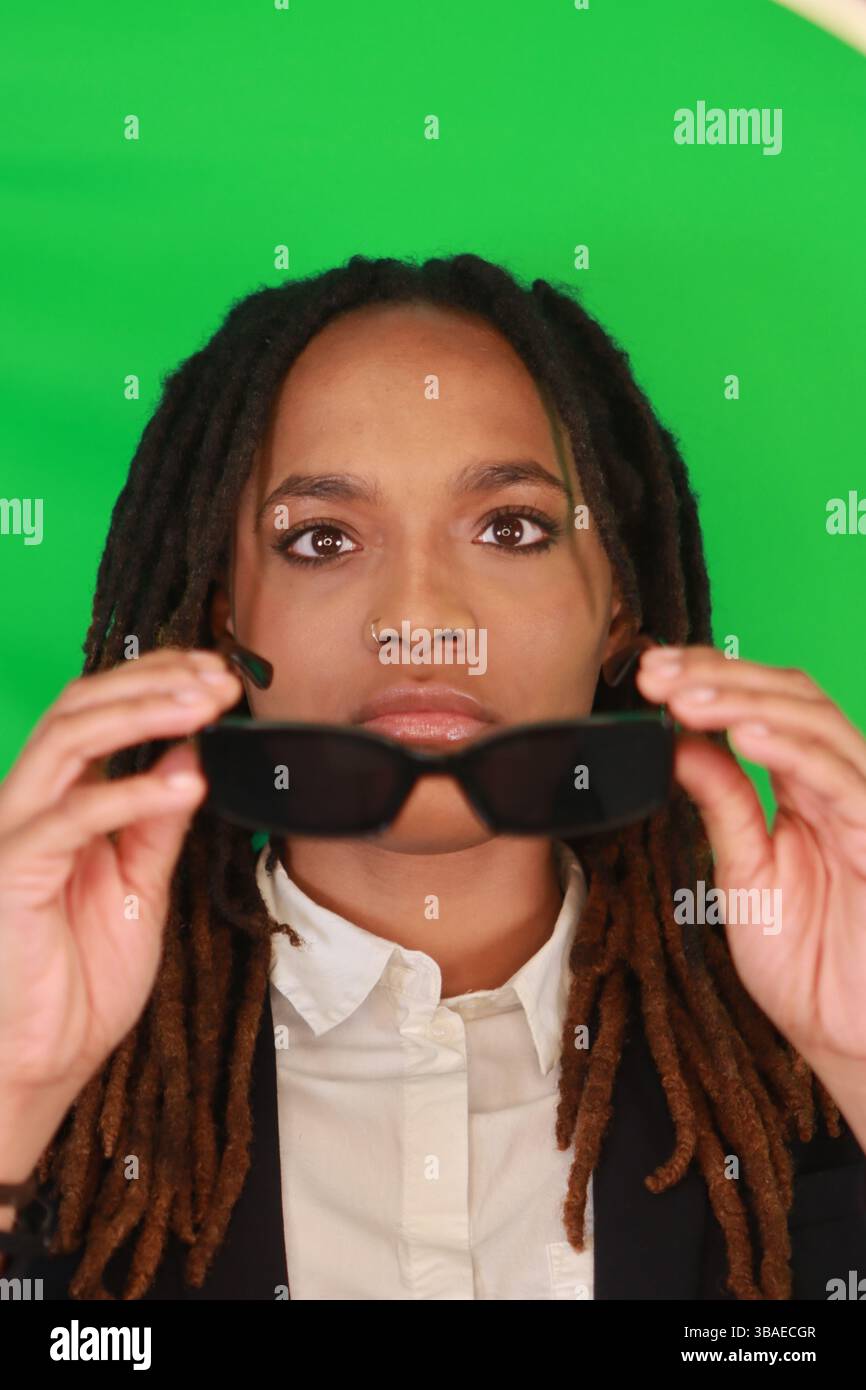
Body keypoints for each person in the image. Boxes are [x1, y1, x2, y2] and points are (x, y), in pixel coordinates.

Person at [1, 253, 865, 1301]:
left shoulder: (800, 1075)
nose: (418, 621)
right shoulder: (63, 1095)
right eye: (322, 538)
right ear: (226, 609)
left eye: (510, 528)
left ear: (618, 603)